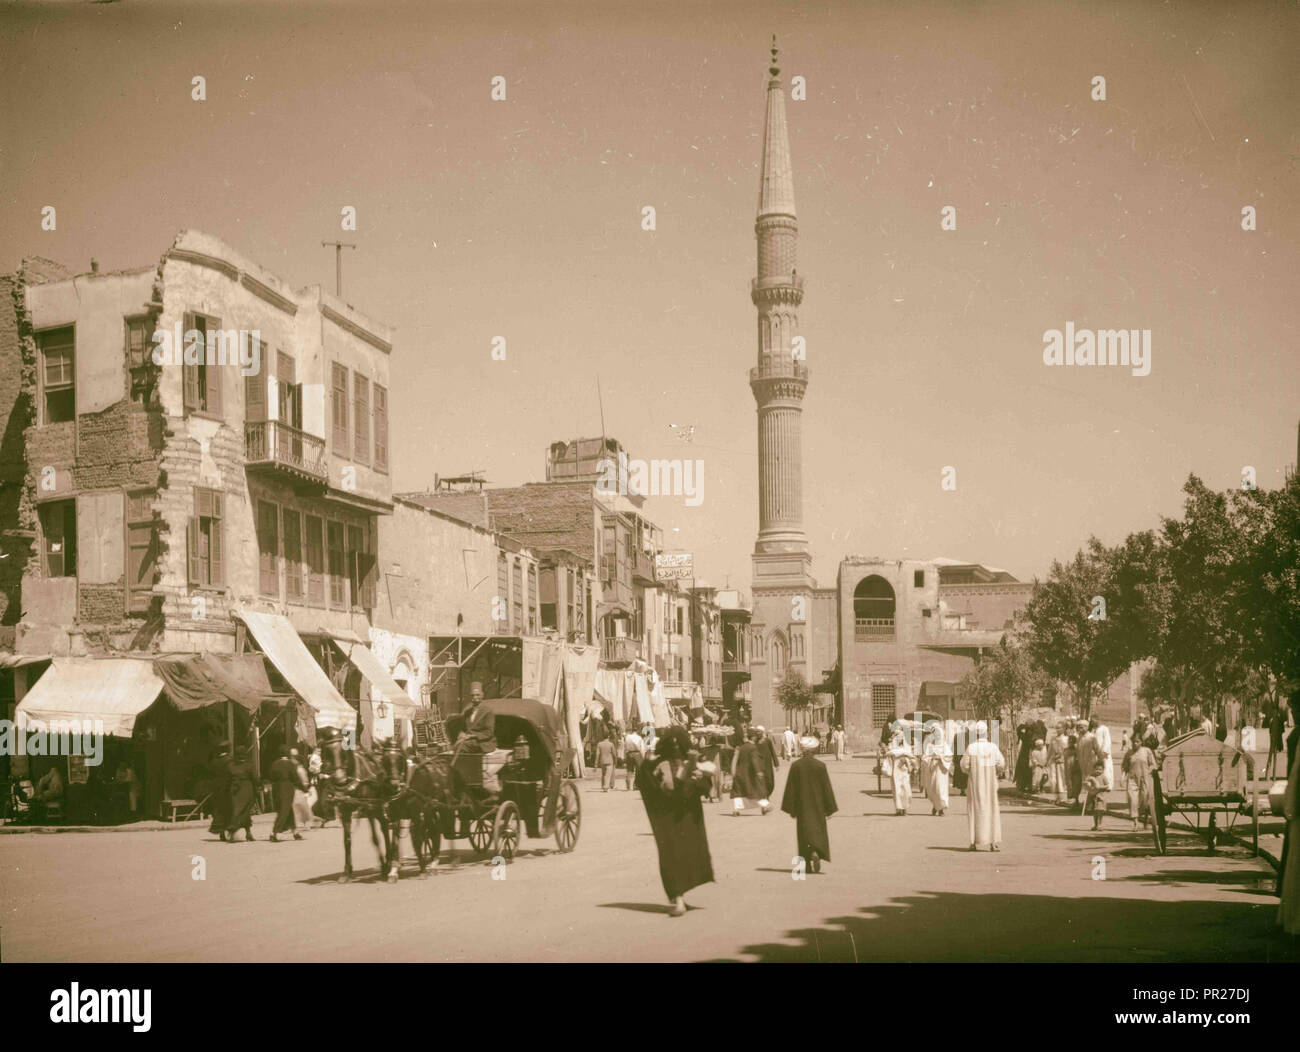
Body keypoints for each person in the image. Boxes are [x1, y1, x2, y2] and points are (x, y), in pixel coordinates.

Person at [637, 726, 715, 917]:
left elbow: (704, 786)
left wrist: (695, 779)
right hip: (675, 819)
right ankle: (677, 898)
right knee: (677, 854)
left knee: (677, 854)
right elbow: (703, 787)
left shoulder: (658, 764)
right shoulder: (668, 764)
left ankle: (677, 897)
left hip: (675, 819)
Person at [782, 735, 838, 873]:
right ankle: (816, 851)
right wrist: (829, 808)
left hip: (802, 806)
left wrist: (791, 808)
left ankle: (806, 864)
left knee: (803, 833)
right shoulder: (820, 766)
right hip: (818, 806)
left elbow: (791, 788)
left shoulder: (796, 766)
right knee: (818, 831)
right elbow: (826, 788)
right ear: (814, 750)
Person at [960, 722, 1006, 851]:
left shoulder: (971, 748)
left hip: (975, 783)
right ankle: (993, 842)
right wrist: (995, 772)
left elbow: (964, 765)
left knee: (975, 809)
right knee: (991, 809)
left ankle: (973, 842)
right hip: (990, 784)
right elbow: (1001, 763)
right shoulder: (993, 747)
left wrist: (971, 772)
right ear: (986, 733)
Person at [731, 729, 771, 815]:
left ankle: (736, 810)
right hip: (749, 773)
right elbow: (755, 760)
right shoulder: (753, 748)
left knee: (739, 792)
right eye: (755, 737)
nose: (756, 738)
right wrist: (758, 771)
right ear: (753, 737)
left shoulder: (742, 747)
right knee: (757, 790)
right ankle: (764, 806)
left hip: (739, 772)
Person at [270, 746, 305, 842]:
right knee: (284, 811)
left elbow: (271, 777)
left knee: (288, 810)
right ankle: (274, 833)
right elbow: (295, 778)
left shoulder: (275, 764)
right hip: (287, 789)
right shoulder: (290, 764)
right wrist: (304, 788)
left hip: (276, 788)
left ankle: (295, 832)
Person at [1123, 733, 1157, 830]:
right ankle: (1135, 823)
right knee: (1132, 800)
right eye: (1133, 742)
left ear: (1141, 742)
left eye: (1137, 742)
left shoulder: (1147, 751)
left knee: (1144, 800)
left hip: (1145, 778)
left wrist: (1149, 771)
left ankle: (1145, 818)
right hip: (1132, 778)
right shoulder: (1129, 753)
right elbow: (1125, 767)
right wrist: (1122, 779)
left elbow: (1153, 765)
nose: (1135, 744)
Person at [920, 723, 953, 816]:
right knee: (933, 788)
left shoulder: (944, 746)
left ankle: (941, 809)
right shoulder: (930, 746)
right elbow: (925, 758)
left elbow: (949, 757)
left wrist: (940, 758)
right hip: (932, 769)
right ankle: (935, 806)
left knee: (940, 788)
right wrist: (931, 758)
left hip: (941, 770)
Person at [226, 747, 256, 842]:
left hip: (235, 789)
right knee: (244, 810)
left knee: (238, 809)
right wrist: (259, 785)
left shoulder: (231, 766)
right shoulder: (249, 765)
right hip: (247, 788)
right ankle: (233, 829)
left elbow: (228, 779)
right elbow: (254, 778)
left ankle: (248, 833)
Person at [885, 730, 915, 815]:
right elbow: (889, 754)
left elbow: (911, 756)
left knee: (906, 788)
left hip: (904, 769)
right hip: (895, 770)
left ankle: (905, 808)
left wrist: (905, 758)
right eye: (897, 736)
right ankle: (898, 809)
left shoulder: (907, 746)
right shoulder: (891, 746)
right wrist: (900, 754)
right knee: (897, 789)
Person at [208, 742, 232, 839]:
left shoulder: (214, 761)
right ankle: (228, 831)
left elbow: (210, 774)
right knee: (228, 810)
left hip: (217, 789)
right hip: (227, 788)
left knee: (219, 810)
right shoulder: (230, 760)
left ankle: (221, 831)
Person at [1046, 725, 1068, 803]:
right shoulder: (1053, 739)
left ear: (1064, 728)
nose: (1058, 729)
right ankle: (1057, 797)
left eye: (1060, 728)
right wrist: (1047, 760)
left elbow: (1067, 750)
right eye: (1057, 728)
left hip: (1062, 761)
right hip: (1054, 760)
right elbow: (1050, 750)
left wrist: (1061, 756)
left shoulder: (1066, 739)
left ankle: (1063, 798)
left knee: (1062, 779)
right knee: (1054, 779)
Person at [623, 726, 644, 791]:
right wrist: (643, 756)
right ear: (637, 731)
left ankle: (628, 784)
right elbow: (642, 748)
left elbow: (625, 747)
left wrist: (625, 756)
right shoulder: (639, 738)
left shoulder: (627, 737)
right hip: (637, 754)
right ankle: (636, 785)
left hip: (629, 754)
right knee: (638, 770)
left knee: (630, 770)